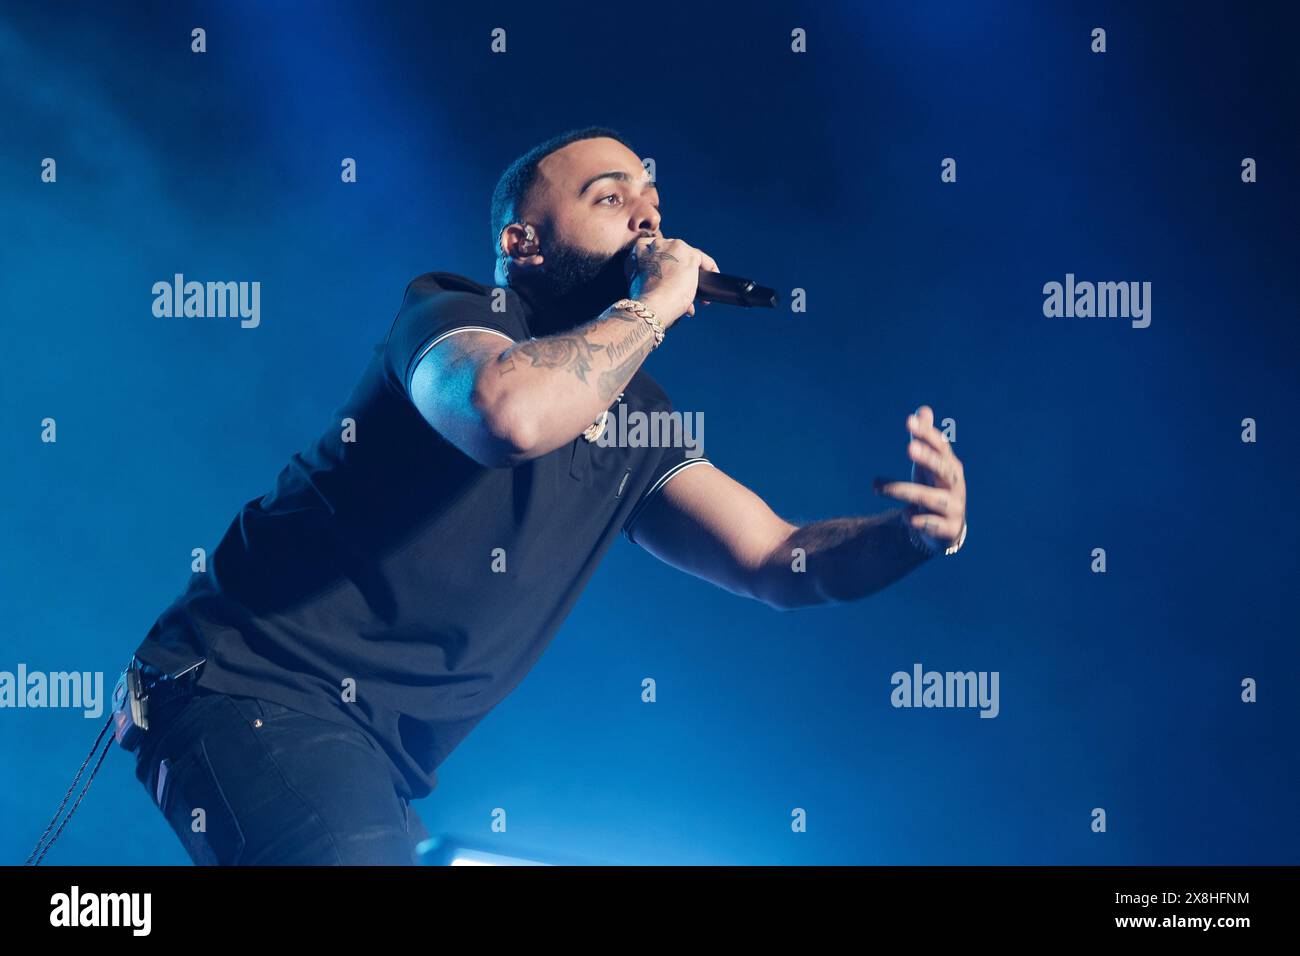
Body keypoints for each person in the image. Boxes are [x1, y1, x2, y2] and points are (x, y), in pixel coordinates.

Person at [123, 126, 969, 865]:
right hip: (245, 684)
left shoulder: (637, 417)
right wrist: (658, 305)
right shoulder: (453, 315)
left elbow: (777, 563)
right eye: (611, 198)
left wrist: (912, 536)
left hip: (369, 755)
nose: (647, 218)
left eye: (654, 202)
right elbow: (511, 416)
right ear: (522, 241)